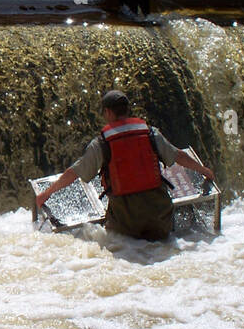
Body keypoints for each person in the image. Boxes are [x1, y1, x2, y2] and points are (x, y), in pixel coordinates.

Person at [34, 90, 214, 241]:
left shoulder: (101, 144)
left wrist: (46, 193)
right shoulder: (151, 133)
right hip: (161, 221)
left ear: (108, 113)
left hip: (127, 226)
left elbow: (74, 172)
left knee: (111, 237)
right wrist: (205, 170)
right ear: (127, 110)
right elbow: (178, 156)